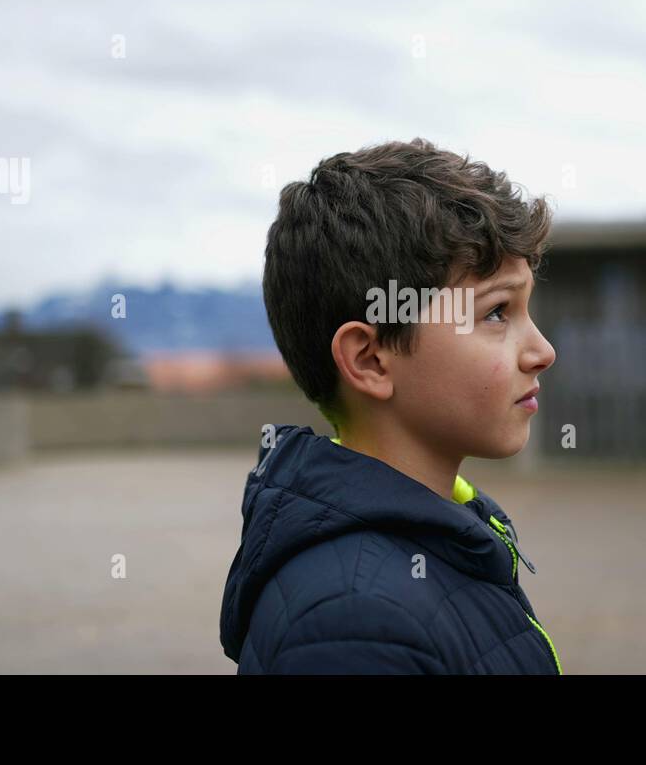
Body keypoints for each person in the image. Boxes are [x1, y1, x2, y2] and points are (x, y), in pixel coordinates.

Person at [219, 138, 560, 674]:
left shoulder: (449, 537)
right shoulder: (353, 623)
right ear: (371, 360)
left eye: (526, 308)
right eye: (497, 313)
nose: (543, 351)